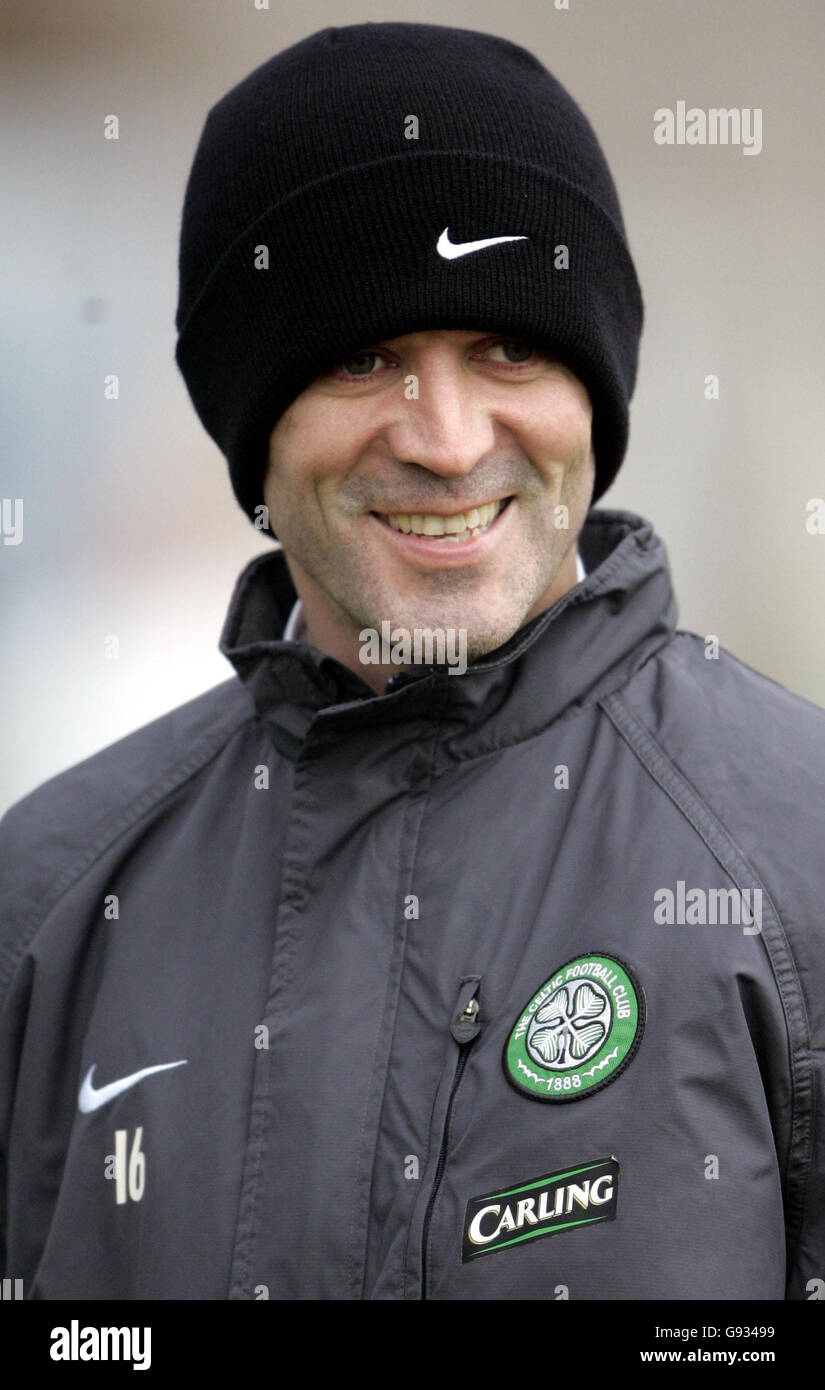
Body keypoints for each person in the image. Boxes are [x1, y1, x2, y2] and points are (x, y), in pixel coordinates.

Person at [1, 21, 823, 1302]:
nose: (445, 440)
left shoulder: (799, 853)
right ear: (251, 420)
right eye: (362, 358)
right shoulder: (47, 907)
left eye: (509, 349)